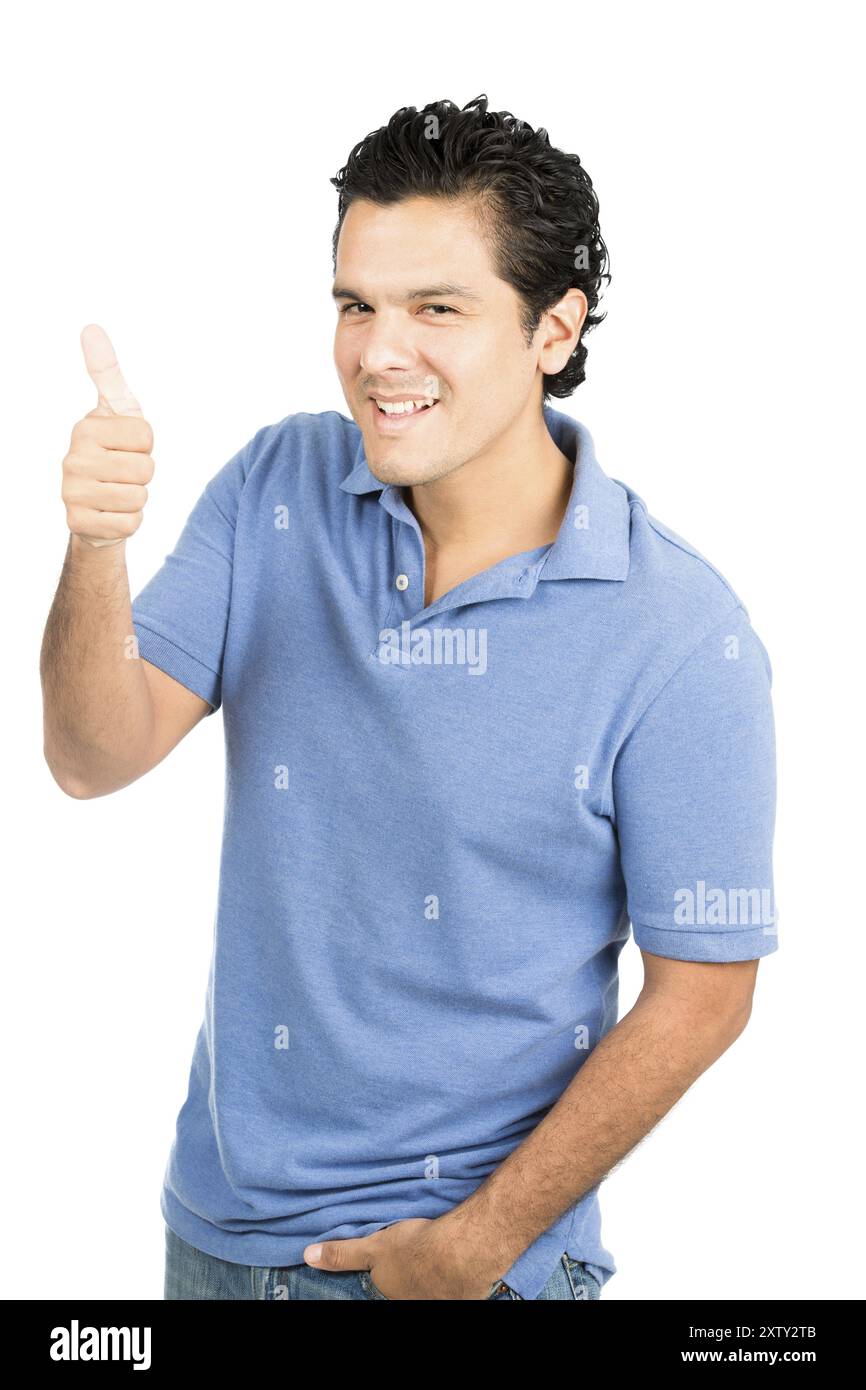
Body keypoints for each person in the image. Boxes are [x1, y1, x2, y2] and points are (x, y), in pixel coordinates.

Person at [40, 94, 777, 1301]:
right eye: (355, 303)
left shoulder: (681, 635)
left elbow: (705, 991)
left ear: (552, 328)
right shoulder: (277, 482)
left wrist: (474, 1245)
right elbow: (91, 754)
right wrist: (94, 547)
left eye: (437, 308)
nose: (379, 353)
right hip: (215, 1243)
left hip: (457, 1273)